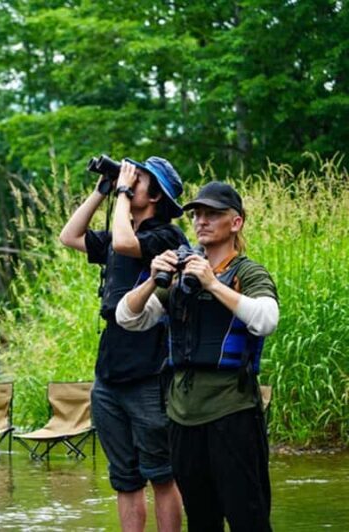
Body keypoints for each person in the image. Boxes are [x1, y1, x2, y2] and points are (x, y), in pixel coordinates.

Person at [117, 182, 279, 531]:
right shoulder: (181, 274)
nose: (201, 221)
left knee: (247, 517)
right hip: (183, 417)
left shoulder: (248, 273)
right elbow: (128, 318)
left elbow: (267, 319)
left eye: (212, 214)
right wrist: (151, 279)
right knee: (202, 521)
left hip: (232, 413)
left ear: (236, 223)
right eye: (197, 214)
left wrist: (213, 284)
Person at [59, 157, 186, 531]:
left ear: (156, 195)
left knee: (161, 472)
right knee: (125, 477)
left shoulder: (168, 236)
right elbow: (69, 236)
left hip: (149, 367)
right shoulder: (119, 231)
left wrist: (124, 194)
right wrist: (103, 191)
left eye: (141, 179)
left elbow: (129, 244)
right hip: (110, 368)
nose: (131, 182)